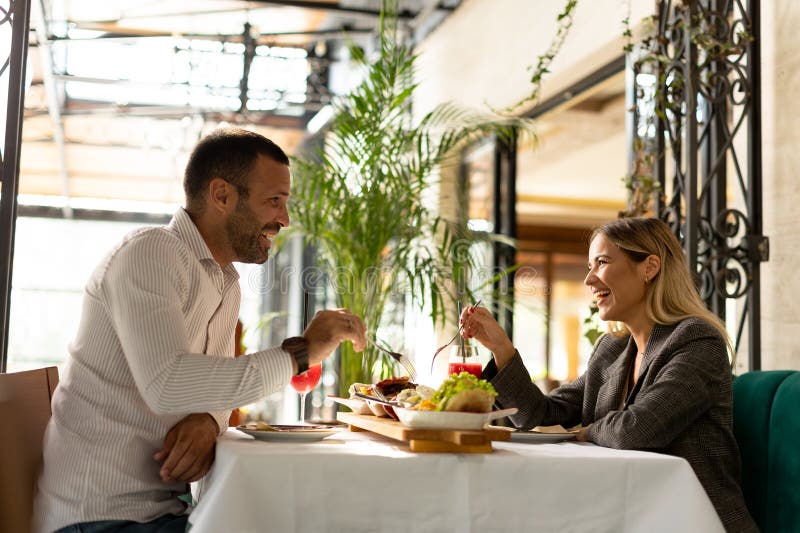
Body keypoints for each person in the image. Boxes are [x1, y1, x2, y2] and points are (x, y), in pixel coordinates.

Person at [34, 128, 366, 533]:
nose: (284, 218)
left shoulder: (224, 282)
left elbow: (208, 389)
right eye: (273, 201)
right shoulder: (150, 253)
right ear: (222, 195)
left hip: (168, 514)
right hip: (98, 520)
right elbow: (168, 383)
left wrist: (210, 419)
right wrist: (301, 353)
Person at [460, 217, 757, 532]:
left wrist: (587, 430)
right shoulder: (611, 350)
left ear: (649, 267)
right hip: (626, 515)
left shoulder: (697, 340)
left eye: (601, 263)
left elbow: (638, 429)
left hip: (697, 520)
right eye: (589, 265)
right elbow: (539, 415)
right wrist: (502, 349)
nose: (589, 279)